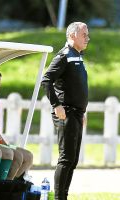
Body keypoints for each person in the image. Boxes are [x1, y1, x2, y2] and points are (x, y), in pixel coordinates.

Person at [41, 22, 90, 200]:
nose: (87, 37)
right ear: (72, 36)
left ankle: (64, 196)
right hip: (66, 113)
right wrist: (56, 105)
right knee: (66, 158)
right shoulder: (64, 55)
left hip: (76, 113)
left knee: (73, 160)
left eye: (87, 34)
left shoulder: (77, 55)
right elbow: (46, 80)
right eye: (84, 34)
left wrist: (81, 112)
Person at [0, 68, 33, 180]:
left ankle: (12, 186)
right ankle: (3, 187)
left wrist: (7, 145)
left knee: (28, 156)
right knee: (17, 156)